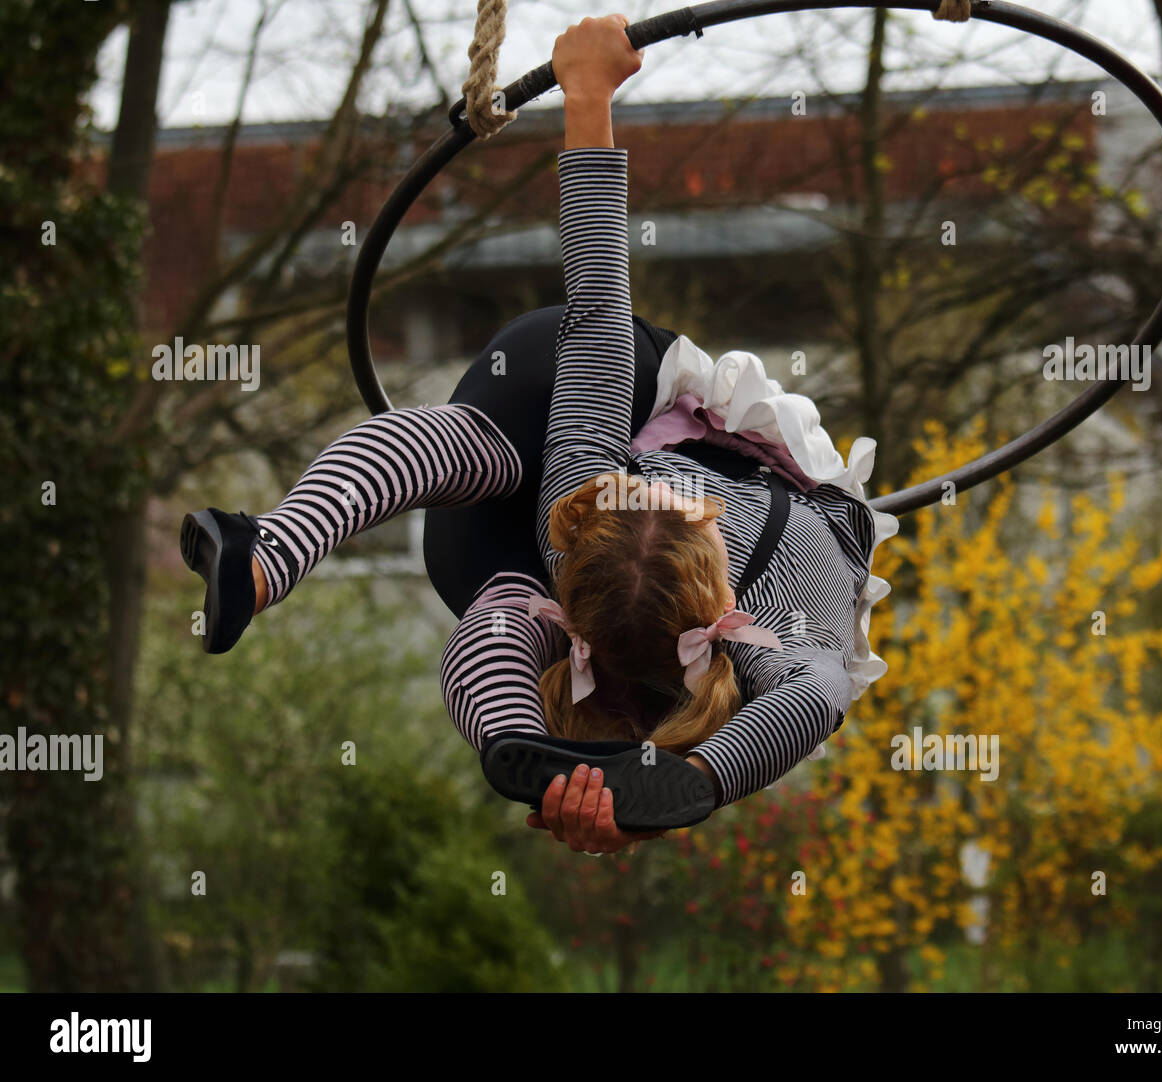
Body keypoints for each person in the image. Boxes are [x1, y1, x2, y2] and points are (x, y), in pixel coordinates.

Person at [180, 14, 896, 856]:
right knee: (498, 566)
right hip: (493, 565)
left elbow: (598, 306)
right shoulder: (791, 601)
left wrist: (586, 91)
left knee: (467, 447)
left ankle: (269, 554)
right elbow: (810, 694)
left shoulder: (580, 490)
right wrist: (689, 786)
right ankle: (517, 738)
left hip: (507, 545)